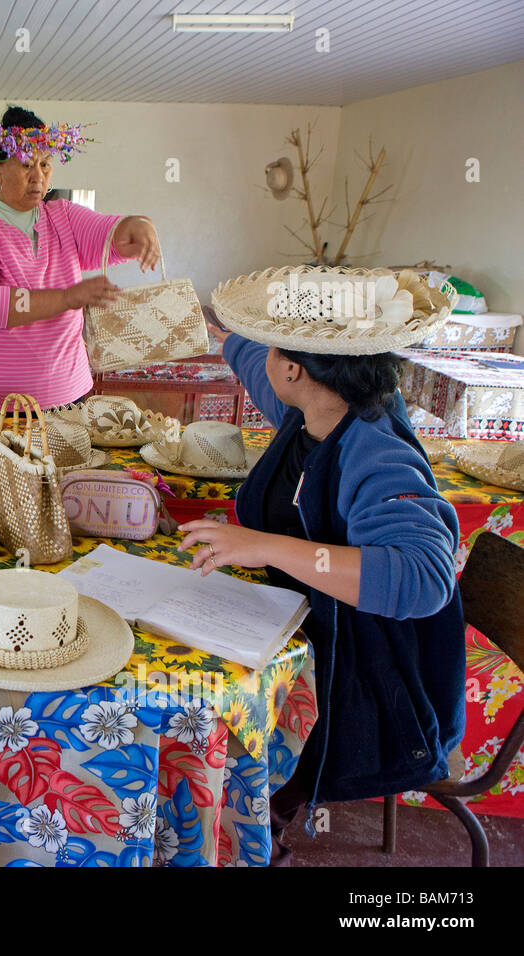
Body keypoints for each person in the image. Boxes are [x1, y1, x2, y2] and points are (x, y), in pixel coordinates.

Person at [179, 304, 465, 865]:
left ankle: (258, 832)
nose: (268, 364)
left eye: (274, 350)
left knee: (224, 742)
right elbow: (256, 365)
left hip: (356, 675)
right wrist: (223, 331)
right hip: (302, 633)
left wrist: (262, 546)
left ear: (295, 370)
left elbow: (425, 576)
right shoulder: (318, 406)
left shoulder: (376, 450)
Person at [0, 105, 162, 409]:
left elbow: (111, 235)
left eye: (45, 165)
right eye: (27, 165)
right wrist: (67, 297)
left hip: (67, 396)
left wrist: (138, 225)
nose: (38, 176)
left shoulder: (62, 216)